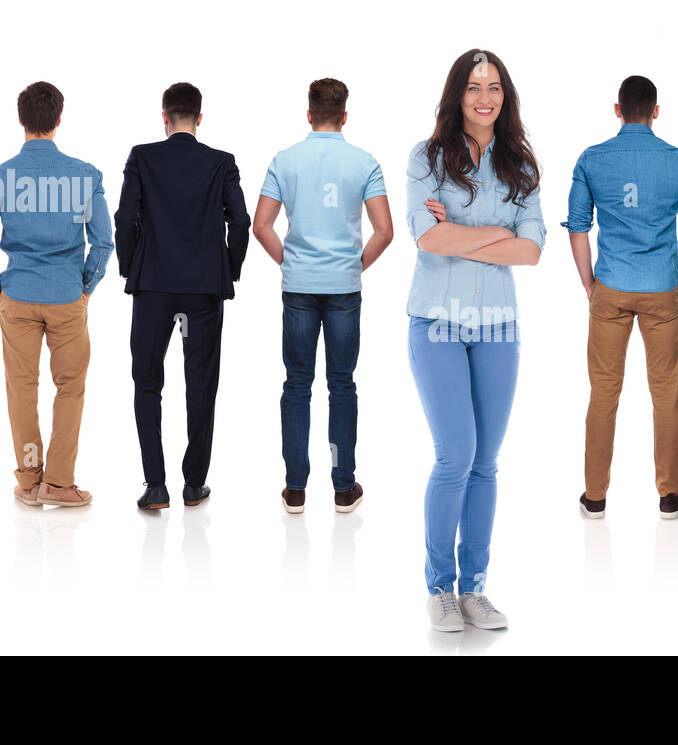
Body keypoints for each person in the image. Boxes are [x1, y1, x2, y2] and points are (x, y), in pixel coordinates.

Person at [406, 49, 544, 632]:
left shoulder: (521, 165)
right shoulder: (427, 157)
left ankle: (474, 589)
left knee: (486, 461)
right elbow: (425, 239)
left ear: (504, 96)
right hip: (437, 321)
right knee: (455, 454)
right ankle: (439, 588)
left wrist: (458, 231)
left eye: (492, 87)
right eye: (472, 87)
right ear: (456, 95)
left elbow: (533, 249)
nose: (483, 97)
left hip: (499, 325)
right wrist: (496, 233)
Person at [562, 75, 678, 521]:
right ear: (655, 111)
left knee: (603, 392)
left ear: (618, 109)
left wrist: (589, 283)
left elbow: (578, 227)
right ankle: (669, 494)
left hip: (610, 286)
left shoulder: (592, 159)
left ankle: (595, 496)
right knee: (666, 393)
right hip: (662, 287)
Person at [0, 81, 112, 508]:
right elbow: (103, 243)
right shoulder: (85, 176)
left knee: (21, 387)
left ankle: (30, 481)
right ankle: (60, 482)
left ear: (21, 120)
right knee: (70, 387)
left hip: (18, 295)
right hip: (67, 296)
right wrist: (86, 286)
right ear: (58, 120)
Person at [252, 78, 394, 515]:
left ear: (309, 114)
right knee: (342, 385)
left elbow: (260, 225)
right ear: (344, 116)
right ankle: (343, 486)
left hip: (299, 287)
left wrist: (291, 263)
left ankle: (295, 488)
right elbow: (385, 231)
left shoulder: (285, 160)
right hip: (343, 289)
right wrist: (353, 266)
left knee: (296, 385)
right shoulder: (364, 162)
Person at [114, 82, 251, 511]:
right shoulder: (221, 162)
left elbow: (124, 219)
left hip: (153, 285)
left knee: (147, 381)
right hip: (202, 289)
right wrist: (227, 269)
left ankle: (156, 485)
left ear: (164, 116)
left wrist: (130, 266)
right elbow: (241, 222)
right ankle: (194, 484)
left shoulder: (143, 157)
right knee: (201, 384)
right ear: (199, 117)